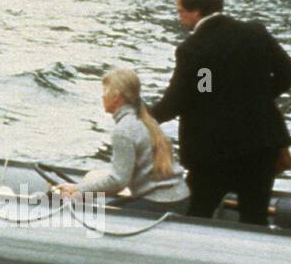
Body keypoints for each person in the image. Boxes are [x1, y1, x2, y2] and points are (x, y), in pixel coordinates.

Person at [149, 0, 291, 226]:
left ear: (196, 11)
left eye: (180, 11)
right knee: (254, 215)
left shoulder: (196, 48)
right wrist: (258, 98)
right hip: (261, 144)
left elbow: (182, 99)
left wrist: (142, 115)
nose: (179, 17)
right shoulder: (255, 33)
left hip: (214, 151)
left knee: (199, 212)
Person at [53, 69, 189, 209]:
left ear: (116, 96)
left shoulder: (124, 129)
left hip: (161, 203)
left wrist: (77, 189)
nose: (102, 96)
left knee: (101, 215)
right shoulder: (146, 120)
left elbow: (118, 182)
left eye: (105, 91)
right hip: (180, 198)